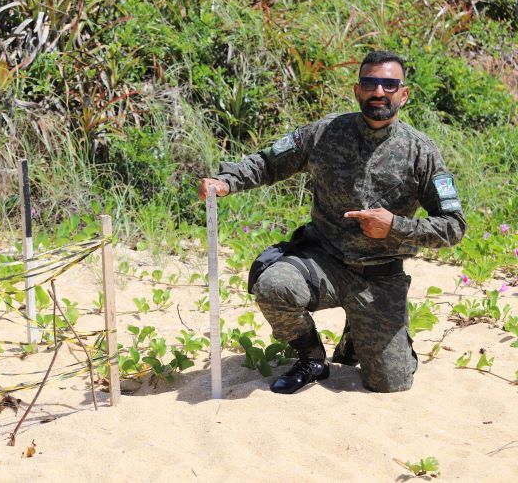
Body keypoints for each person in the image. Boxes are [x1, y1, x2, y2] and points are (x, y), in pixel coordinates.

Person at [198, 51, 466, 394]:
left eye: (389, 84)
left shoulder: (421, 152)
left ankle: (359, 330)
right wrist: (225, 181)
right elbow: (267, 162)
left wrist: (395, 227)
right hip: (322, 261)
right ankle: (311, 359)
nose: (379, 92)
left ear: (404, 93)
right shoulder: (324, 132)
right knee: (273, 286)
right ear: (357, 91)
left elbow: (454, 225)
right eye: (370, 83)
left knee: (390, 383)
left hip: (379, 276)